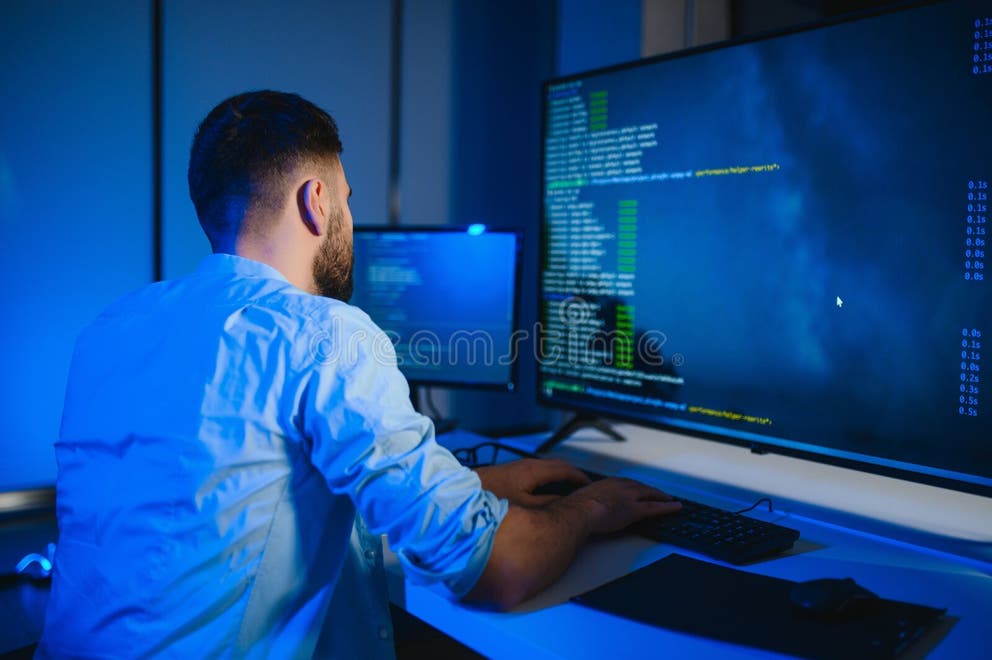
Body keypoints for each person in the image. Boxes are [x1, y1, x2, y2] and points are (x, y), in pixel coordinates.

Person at [38, 90, 681, 658]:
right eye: (347, 198)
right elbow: (497, 568)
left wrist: (476, 482)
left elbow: (236, 506)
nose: (349, 216)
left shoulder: (110, 330)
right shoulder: (323, 333)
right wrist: (591, 508)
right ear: (316, 202)